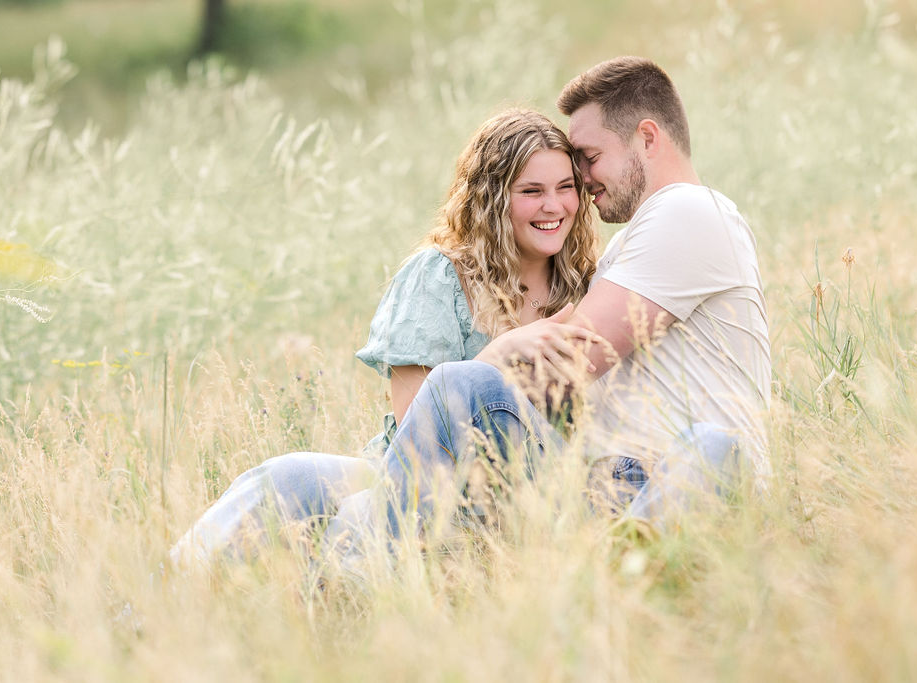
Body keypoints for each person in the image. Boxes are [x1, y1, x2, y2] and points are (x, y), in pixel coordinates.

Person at [171, 107, 601, 566]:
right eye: (531, 191)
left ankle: (350, 577)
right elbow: (416, 434)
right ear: (492, 199)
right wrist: (496, 356)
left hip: (531, 485)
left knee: (354, 512)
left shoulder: (592, 287)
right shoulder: (442, 275)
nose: (554, 206)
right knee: (287, 477)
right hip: (412, 476)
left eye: (565, 188)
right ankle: (162, 598)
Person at [366, 56, 770, 544]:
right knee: (294, 477)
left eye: (588, 158)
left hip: (660, 476)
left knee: (464, 382)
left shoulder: (687, 210)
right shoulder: (628, 243)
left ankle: (383, 566)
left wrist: (484, 369)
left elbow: (568, 363)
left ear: (646, 138)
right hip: (603, 485)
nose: (582, 178)